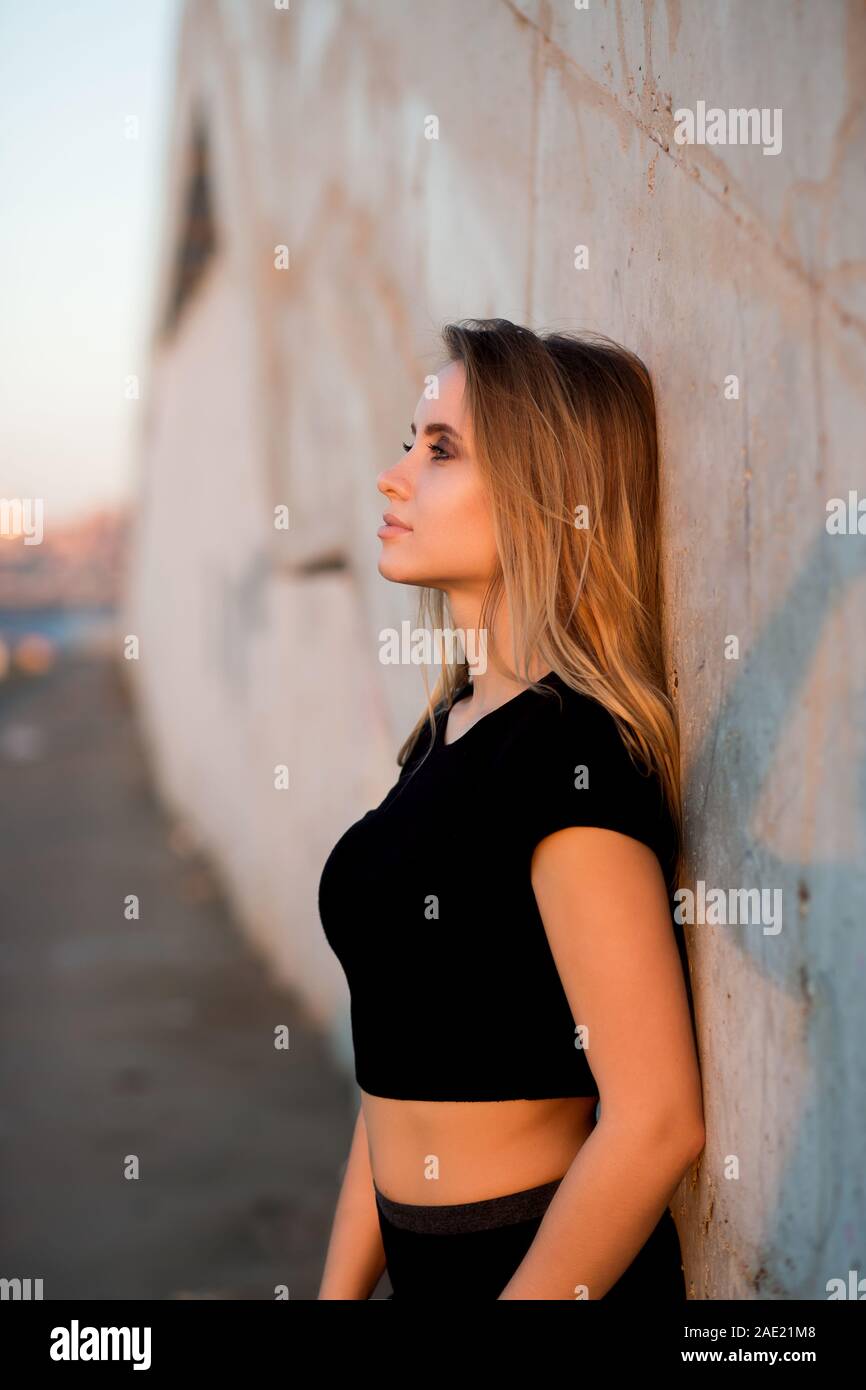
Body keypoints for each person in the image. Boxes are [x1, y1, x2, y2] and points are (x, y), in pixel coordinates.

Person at [317, 318, 705, 1300]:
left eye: (440, 449)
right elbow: (393, 1068)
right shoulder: (446, 728)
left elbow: (656, 1118)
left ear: (548, 494)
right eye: (410, 440)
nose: (394, 475)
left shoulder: (567, 756)